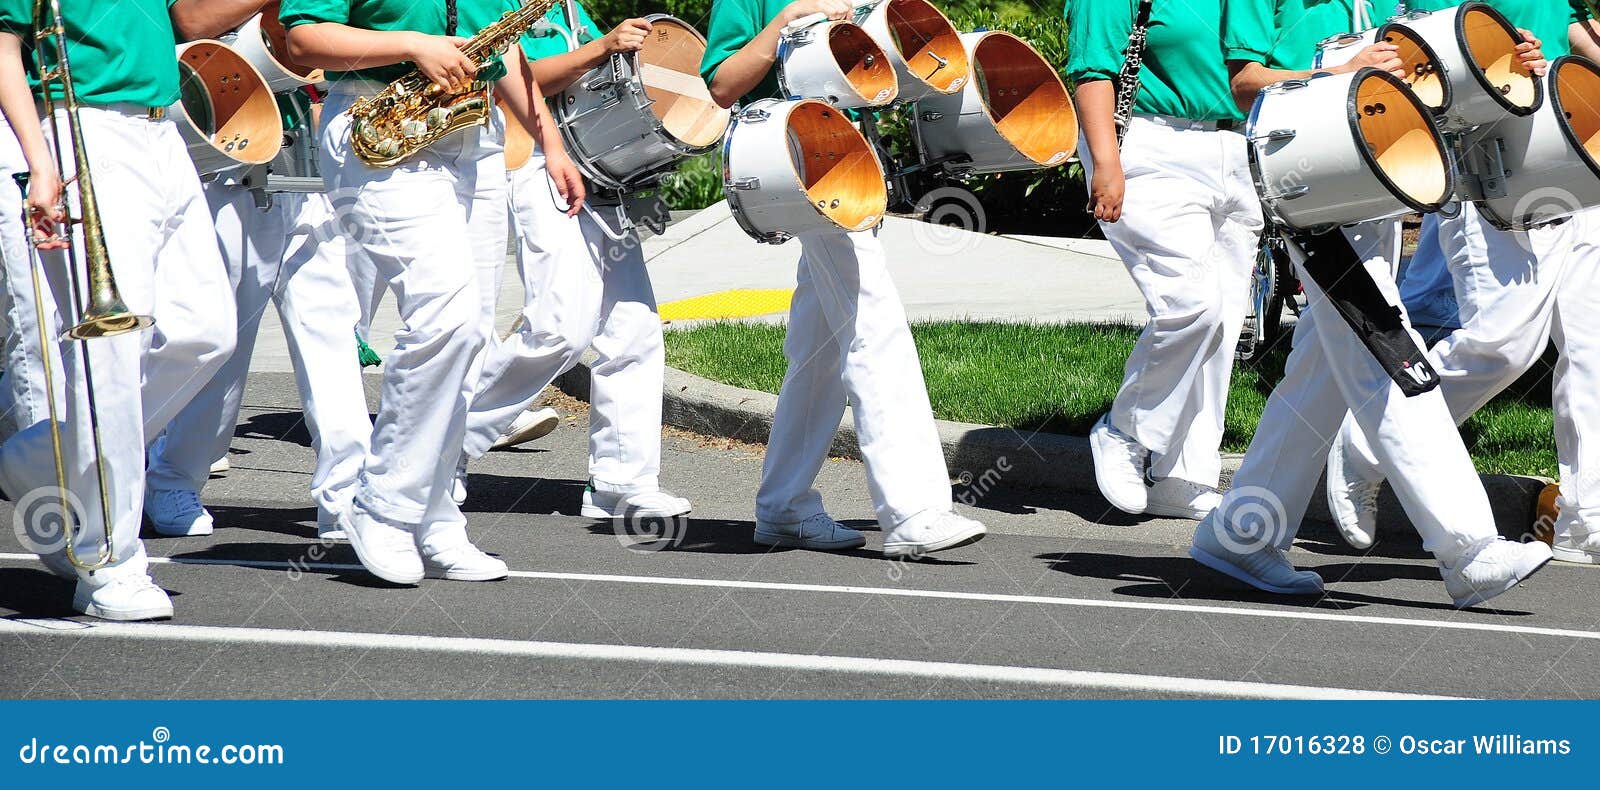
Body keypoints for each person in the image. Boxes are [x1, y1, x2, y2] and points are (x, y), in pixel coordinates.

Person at [1192, 0, 1552, 608]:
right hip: (1313, 187)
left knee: (1319, 377)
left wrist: (1507, 65)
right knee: (1387, 354)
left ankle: (1243, 533)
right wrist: (1341, 74)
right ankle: (1468, 550)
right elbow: (1243, 85)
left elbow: (1438, 80)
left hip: (1378, 183)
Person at [282, 0, 585, 584]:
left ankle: (436, 515)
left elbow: (508, 47)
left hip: (475, 135)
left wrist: (550, 143)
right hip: (377, 124)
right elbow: (303, 41)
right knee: (444, 316)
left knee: (470, 336)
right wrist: (413, 45)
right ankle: (384, 505)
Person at [700, 0, 986, 557]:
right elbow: (721, 85)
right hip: (796, 161)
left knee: (821, 350)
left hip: (850, 164)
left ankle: (784, 507)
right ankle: (913, 511)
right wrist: (786, 22)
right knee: (872, 325)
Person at [1325, 0, 1600, 566]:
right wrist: (1500, 59)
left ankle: (1584, 521)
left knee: (1595, 350)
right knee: (1502, 344)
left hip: (1570, 152)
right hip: (1488, 162)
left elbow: (1572, 31)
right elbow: (1415, 52)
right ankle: (1372, 438)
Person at [0, 0, 237, 619]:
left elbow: (189, 18)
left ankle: (45, 458)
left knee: (206, 331)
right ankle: (106, 562)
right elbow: (3, 46)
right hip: (85, 126)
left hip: (165, 129)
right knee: (108, 358)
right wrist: (41, 162)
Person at [453, 1, 691, 520]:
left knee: (634, 329)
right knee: (561, 325)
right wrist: (602, 47)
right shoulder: (510, 7)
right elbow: (516, 78)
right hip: (539, 163)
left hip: (600, 172)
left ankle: (621, 482)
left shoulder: (570, 8)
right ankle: (439, 444)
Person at [146, 0, 372, 543]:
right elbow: (191, 21)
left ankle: (348, 490)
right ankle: (174, 476)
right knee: (225, 346)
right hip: (224, 166)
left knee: (334, 334)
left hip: (300, 165)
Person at [1068, 0, 1262, 521]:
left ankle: (1183, 475)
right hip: (1152, 145)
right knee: (1190, 304)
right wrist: (1106, 162)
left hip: (1237, 146)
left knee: (1222, 321)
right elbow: (1094, 71)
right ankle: (1125, 430)